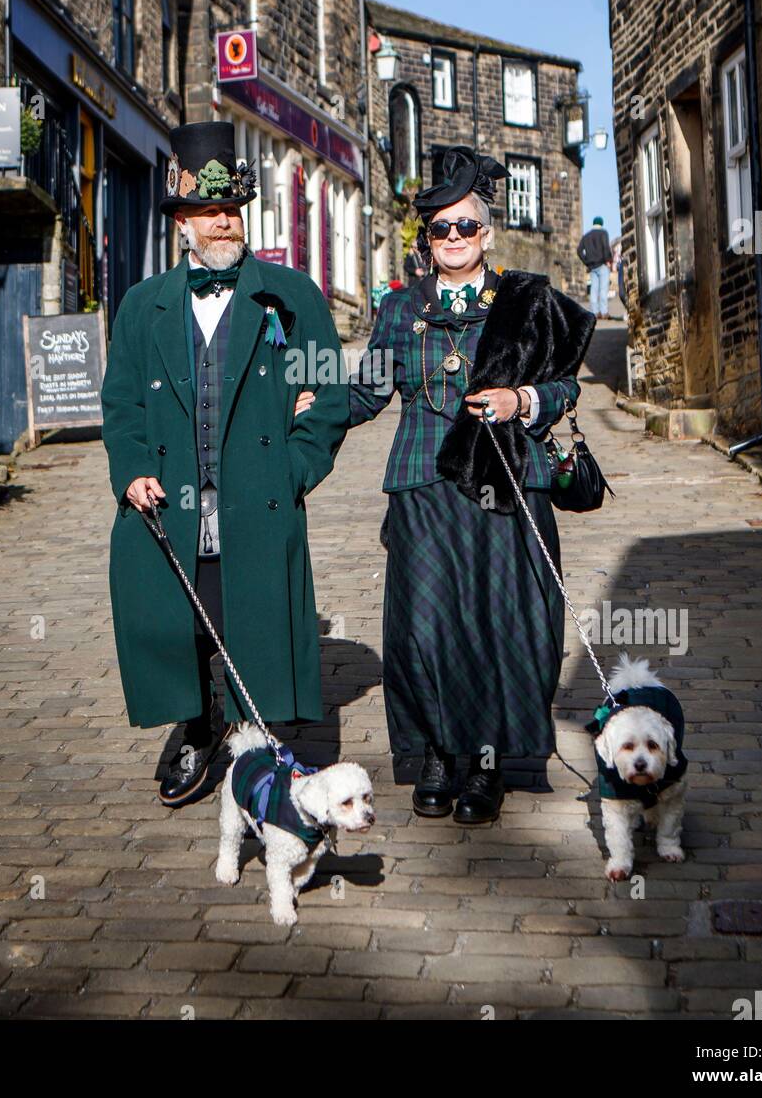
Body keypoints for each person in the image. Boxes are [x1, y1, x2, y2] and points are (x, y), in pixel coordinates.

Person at [101, 122, 349, 806]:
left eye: (231, 209)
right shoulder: (141, 305)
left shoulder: (290, 297)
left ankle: (257, 736)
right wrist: (130, 468)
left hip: (257, 493)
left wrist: (294, 468)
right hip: (171, 495)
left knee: (254, 615)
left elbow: (328, 394)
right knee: (178, 616)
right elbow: (121, 403)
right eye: (207, 211)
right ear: (181, 221)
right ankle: (195, 723)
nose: (222, 222)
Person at [345, 147, 595, 824]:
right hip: (423, 483)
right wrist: (301, 404)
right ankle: (436, 752)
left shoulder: (524, 300)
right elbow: (366, 393)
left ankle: (485, 764)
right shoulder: (400, 309)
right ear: (426, 241)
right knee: (424, 626)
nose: (452, 237)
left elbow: (566, 385)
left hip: (506, 481)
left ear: (486, 233)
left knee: (494, 623)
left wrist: (522, 400)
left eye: (465, 226)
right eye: (440, 228)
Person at [577, 215, 613, 319]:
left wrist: (586, 262)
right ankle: (604, 312)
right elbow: (606, 247)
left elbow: (579, 251)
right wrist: (608, 260)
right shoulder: (603, 233)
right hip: (602, 265)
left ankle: (595, 312)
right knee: (603, 290)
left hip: (592, 266)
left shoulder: (586, 236)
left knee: (594, 290)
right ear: (601, 223)